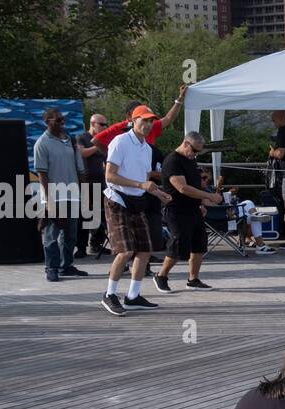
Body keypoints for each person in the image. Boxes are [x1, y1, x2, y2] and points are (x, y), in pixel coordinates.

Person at [100, 105, 173, 316]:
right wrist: (142, 186)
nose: (149, 124)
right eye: (145, 120)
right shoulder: (120, 141)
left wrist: (160, 193)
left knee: (145, 250)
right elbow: (110, 176)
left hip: (137, 200)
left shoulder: (147, 148)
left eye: (151, 121)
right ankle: (110, 294)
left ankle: (133, 296)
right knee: (126, 251)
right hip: (117, 200)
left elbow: (143, 179)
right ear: (133, 120)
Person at [155, 132, 223, 292]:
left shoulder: (191, 161)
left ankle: (193, 279)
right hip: (177, 209)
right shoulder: (173, 161)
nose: (195, 154)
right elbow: (182, 188)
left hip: (194, 208)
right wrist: (210, 196)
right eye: (194, 150)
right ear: (185, 143)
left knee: (199, 244)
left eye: (198, 152)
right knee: (178, 243)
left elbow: (195, 185)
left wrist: (200, 203)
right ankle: (161, 275)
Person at [33, 106, 88, 283]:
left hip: (72, 194)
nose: (62, 122)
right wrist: (48, 201)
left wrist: (83, 191)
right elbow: (42, 174)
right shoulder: (42, 143)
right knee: (51, 235)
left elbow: (79, 168)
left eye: (62, 119)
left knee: (70, 234)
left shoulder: (70, 140)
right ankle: (51, 267)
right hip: (54, 196)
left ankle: (66, 266)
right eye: (58, 120)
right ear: (47, 122)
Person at [75, 112, 109, 258]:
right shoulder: (82, 138)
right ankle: (81, 246)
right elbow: (82, 153)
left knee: (101, 214)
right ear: (93, 124)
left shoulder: (102, 140)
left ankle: (96, 244)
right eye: (102, 124)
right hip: (86, 182)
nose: (104, 127)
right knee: (85, 215)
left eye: (105, 124)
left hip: (101, 181)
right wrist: (97, 145)